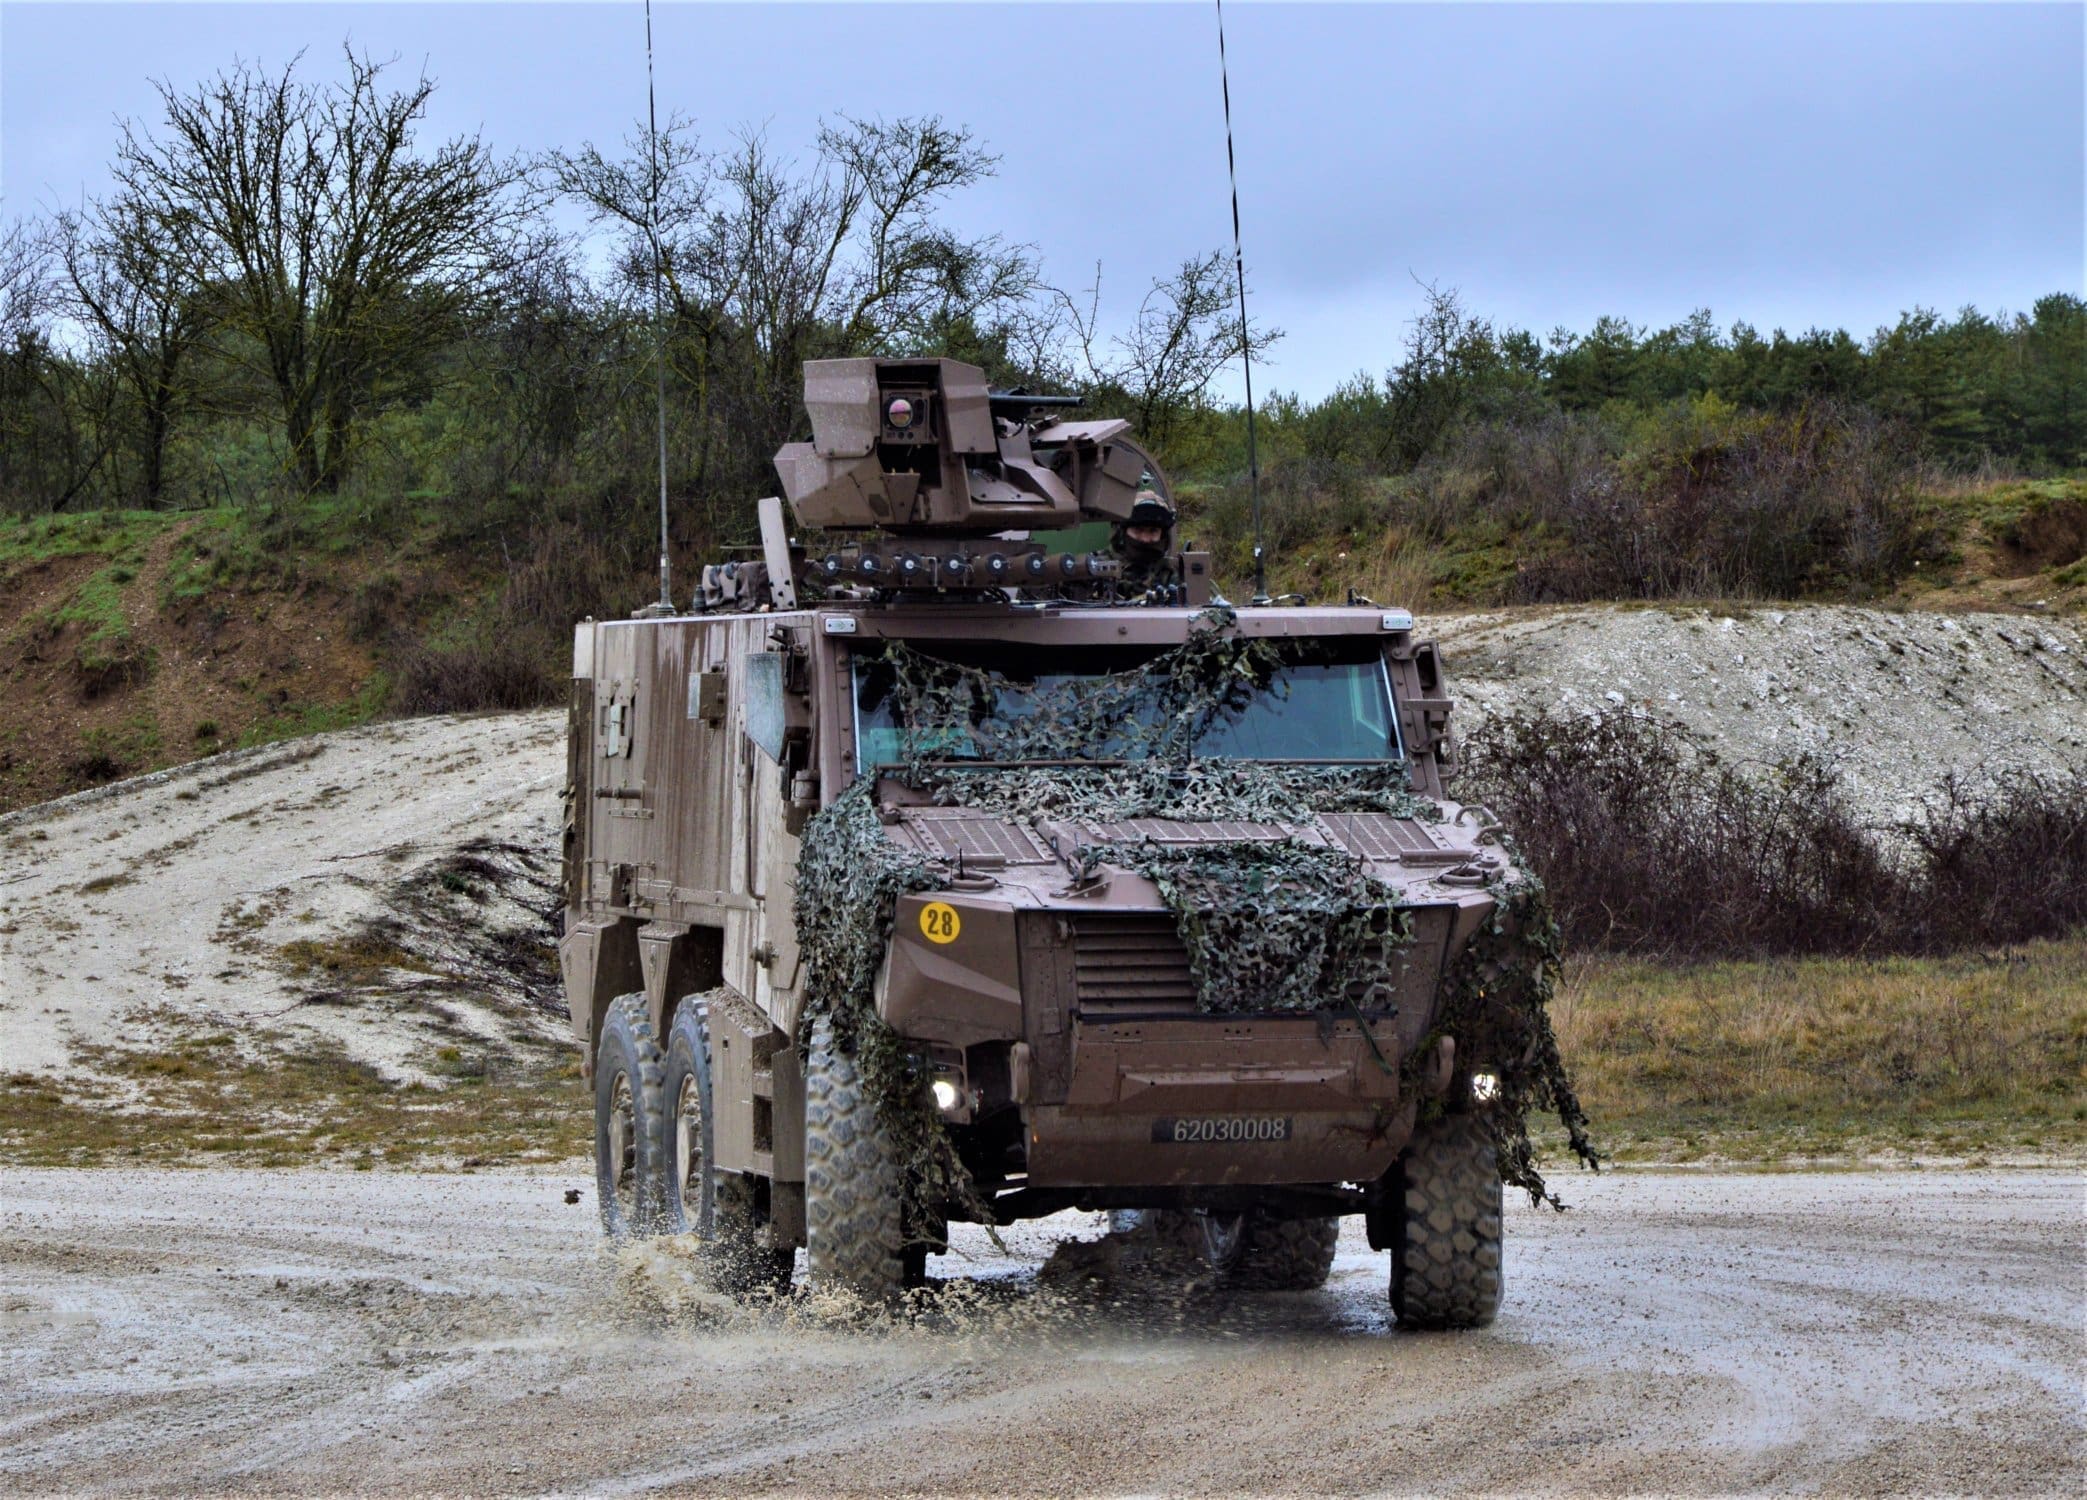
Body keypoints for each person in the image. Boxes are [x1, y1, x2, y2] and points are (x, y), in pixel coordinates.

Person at [1112, 491, 1177, 596]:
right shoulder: (1095, 568)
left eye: (1153, 531)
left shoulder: (1173, 573)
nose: (1145, 539)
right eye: (1138, 529)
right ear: (1122, 533)